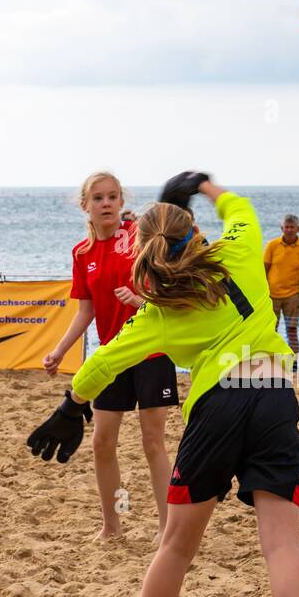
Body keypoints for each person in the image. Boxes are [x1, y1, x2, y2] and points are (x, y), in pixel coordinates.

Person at [27, 172, 299, 597]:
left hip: (216, 408)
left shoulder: (157, 312)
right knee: (281, 543)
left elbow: (104, 363)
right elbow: (242, 208)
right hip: (274, 393)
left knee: (176, 547)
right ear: (196, 232)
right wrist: (205, 185)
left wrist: (70, 405)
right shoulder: (244, 249)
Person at [42, 172, 177, 540]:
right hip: (111, 357)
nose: (106, 203)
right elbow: (85, 311)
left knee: (153, 442)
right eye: (98, 198)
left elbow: (168, 291)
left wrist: (140, 301)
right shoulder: (82, 252)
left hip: (151, 351)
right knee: (102, 442)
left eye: (113, 197)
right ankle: (111, 527)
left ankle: (168, 529)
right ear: (85, 205)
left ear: (121, 202)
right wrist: (59, 351)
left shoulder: (139, 238)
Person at [263, 214, 299, 357]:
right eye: (286, 227)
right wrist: (263, 291)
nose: (289, 230)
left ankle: (295, 361)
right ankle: (271, 359)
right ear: (282, 228)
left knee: (292, 330)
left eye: (292, 227)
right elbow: (264, 269)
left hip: (292, 297)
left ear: (298, 229)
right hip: (271, 296)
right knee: (271, 330)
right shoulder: (272, 245)